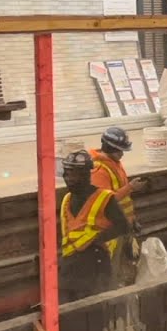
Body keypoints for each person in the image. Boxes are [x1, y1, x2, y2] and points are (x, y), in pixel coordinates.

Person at [59, 150, 131, 302]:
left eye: (74, 174)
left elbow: (123, 226)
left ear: (86, 175)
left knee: (95, 307)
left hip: (95, 263)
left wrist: (95, 240)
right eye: (67, 174)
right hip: (70, 264)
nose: (69, 179)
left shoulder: (104, 197)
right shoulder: (67, 199)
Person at [89, 126, 147, 285]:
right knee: (111, 269)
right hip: (110, 231)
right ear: (109, 148)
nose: (122, 154)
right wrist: (130, 188)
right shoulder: (99, 170)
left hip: (122, 225)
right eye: (119, 150)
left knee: (126, 265)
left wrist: (131, 220)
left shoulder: (114, 163)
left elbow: (122, 198)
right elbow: (104, 201)